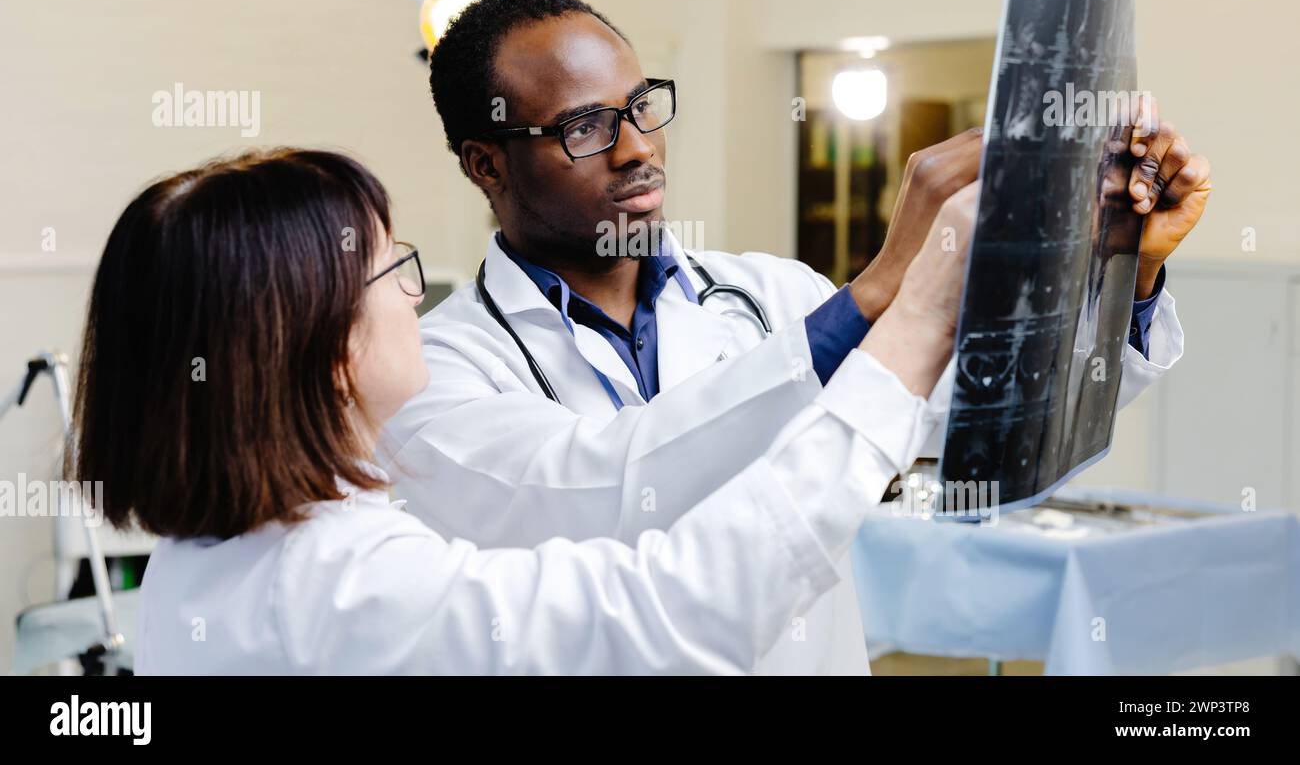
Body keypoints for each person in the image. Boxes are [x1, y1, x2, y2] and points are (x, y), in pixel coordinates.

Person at [381, 0, 1211, 673]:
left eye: (642, 107)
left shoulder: (770, 295)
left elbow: (979, 424)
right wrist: (881, 289)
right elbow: (610, 485)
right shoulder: (436, 372)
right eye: (585, 127)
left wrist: (1121, 270)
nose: (636, 148)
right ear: (486, 163)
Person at [71, 148, 976, 674]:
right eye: (391, 269)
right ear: (326, 347)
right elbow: (674, 603)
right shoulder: (339, 585)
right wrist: (908, 325)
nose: (412, 294)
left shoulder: (218, 558)